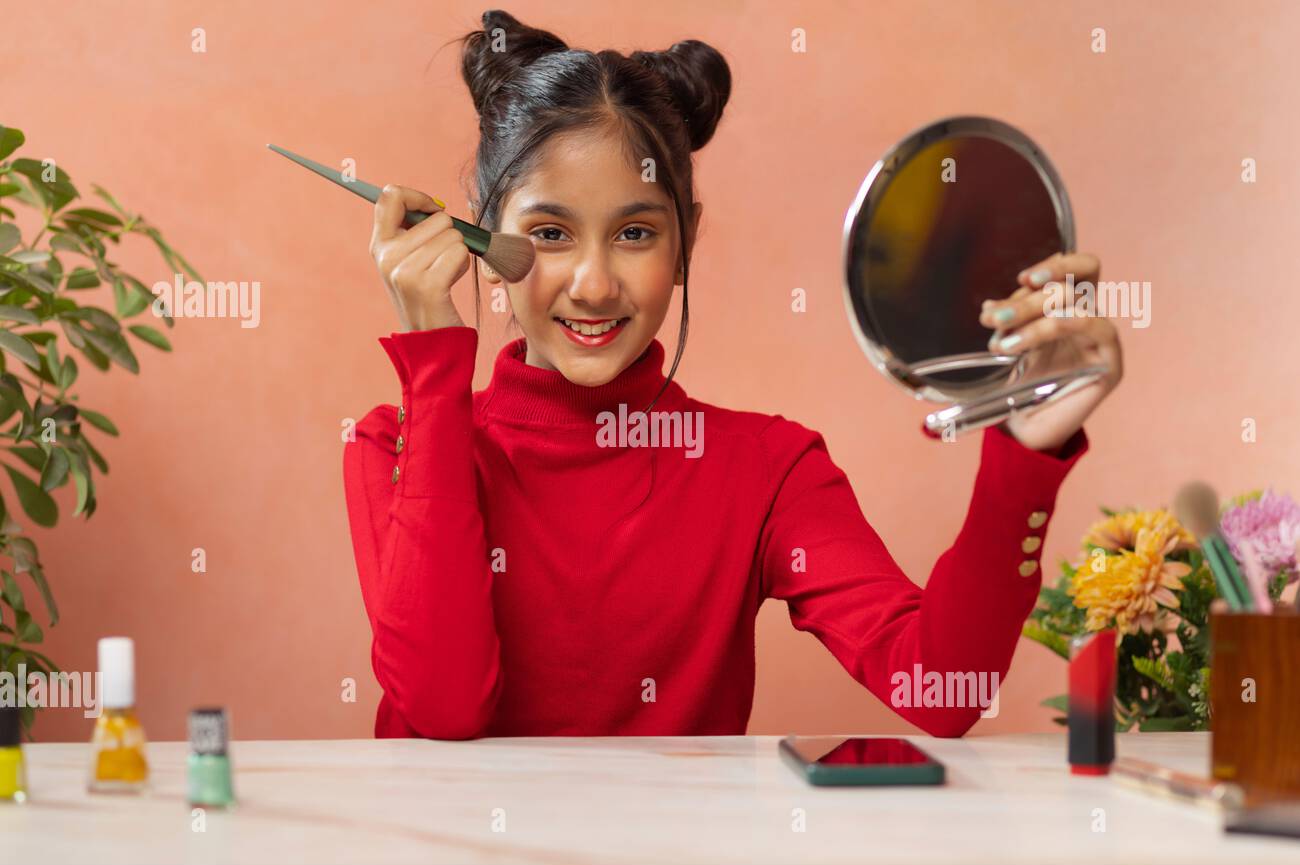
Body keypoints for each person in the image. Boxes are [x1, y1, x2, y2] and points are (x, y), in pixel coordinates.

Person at [343, 9, 1123, 739]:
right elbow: (444, 711)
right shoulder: (394, 446)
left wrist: (1025, 453)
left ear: (685, 243)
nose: (592, 282)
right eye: (548, 232)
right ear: (482, 238)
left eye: (635, 232)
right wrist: (434, 378)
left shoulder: (767, 470)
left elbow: (940, 688)